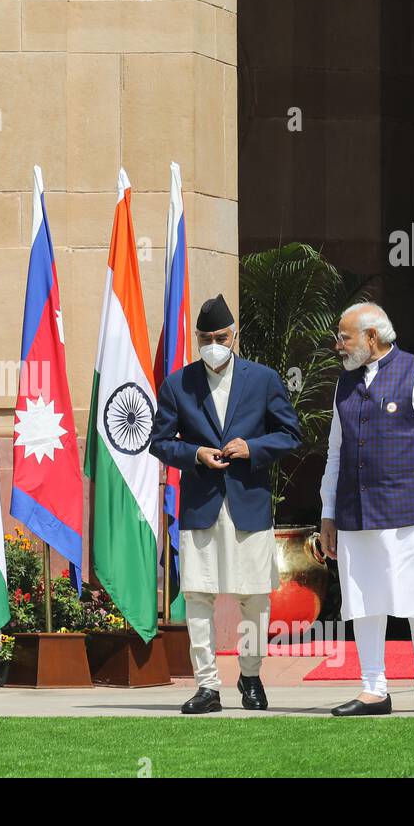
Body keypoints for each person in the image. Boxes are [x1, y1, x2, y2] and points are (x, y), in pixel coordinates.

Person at [150, 295, 301, 713]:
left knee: (255, 596)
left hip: (248, 503)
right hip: (201, 503)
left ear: (234, 336)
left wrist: (251, 447)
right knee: (198, 596)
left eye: (221, 336)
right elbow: (159, 442)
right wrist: (195, 454)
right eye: (206, 337)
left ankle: (251, 678)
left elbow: (291, 434)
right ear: (197, 338)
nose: (214, 343)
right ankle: (207, 687)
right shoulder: (179, 383)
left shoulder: (263, 379)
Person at [319, 302, 414, 716]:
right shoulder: (343, 384)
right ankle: (373, 689)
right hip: (355, 513)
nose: (338, 345)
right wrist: (328, 512)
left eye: (344, 337)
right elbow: (335, 452)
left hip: (412, 512)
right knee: (363, 600)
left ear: (372, 337)